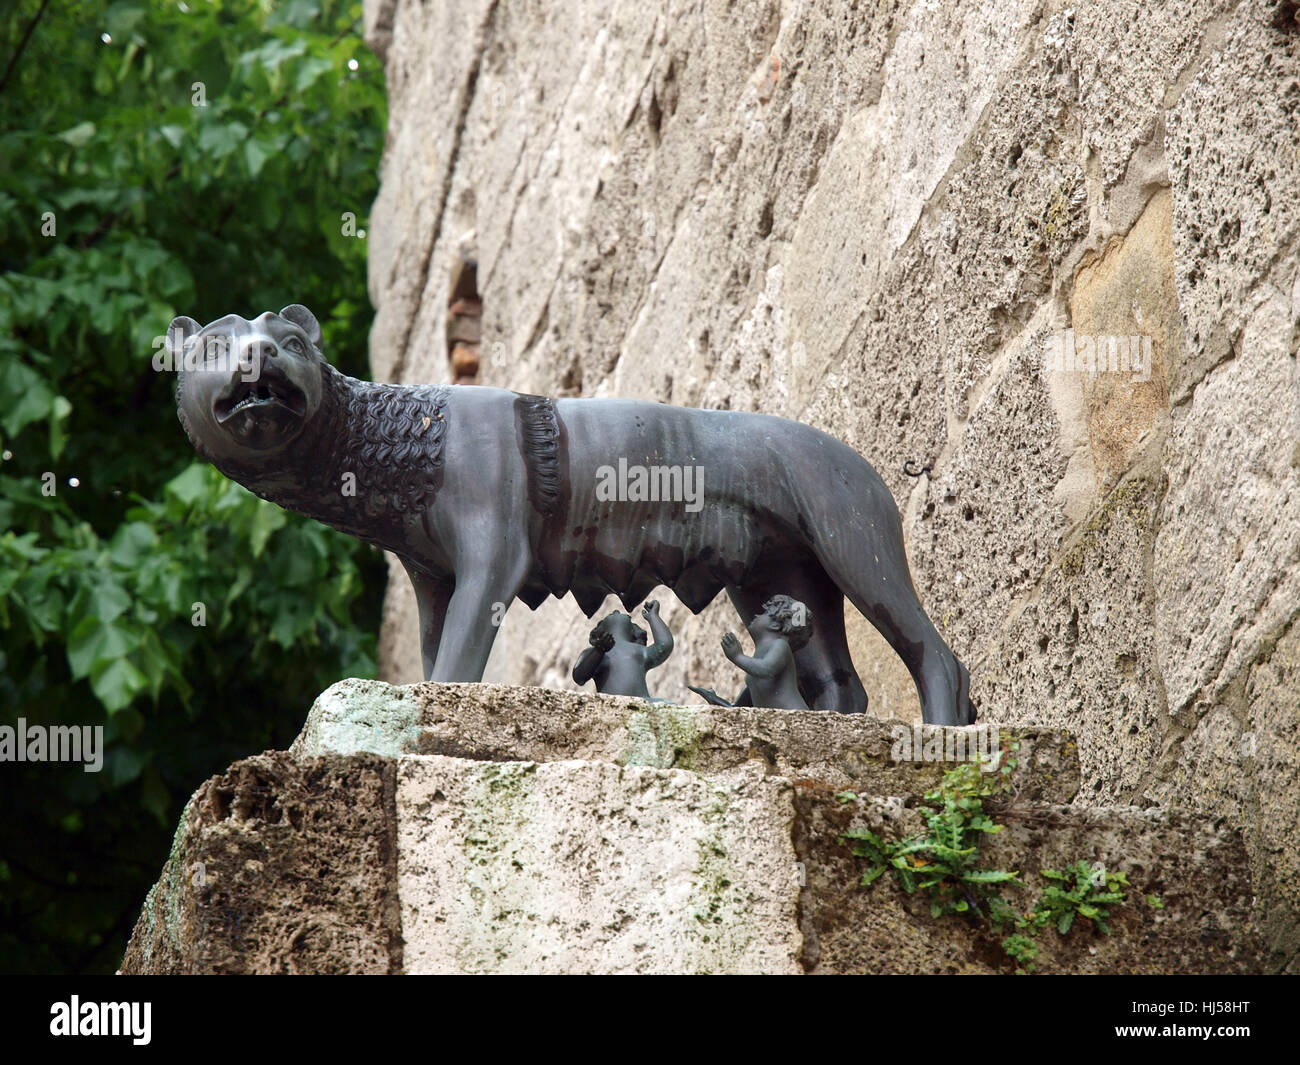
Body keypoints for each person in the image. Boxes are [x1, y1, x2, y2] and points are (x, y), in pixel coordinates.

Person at [688, 595, 812, 710]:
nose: (757, 615)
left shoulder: (780, 646)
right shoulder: (755, 667)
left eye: (765, 613)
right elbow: (740, 709)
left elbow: (766, 669)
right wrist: (715, 700)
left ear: (775, 625)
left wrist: (737, 656)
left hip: (793, 716)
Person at [572, 600, 674, 700]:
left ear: (633, 631)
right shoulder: (594, 653)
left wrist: (653, 617)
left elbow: (664, 646)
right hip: (612, 707)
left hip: (643, 703)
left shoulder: (639, 651)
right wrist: (599, 650)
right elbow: (579, 676)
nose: (616, 611)